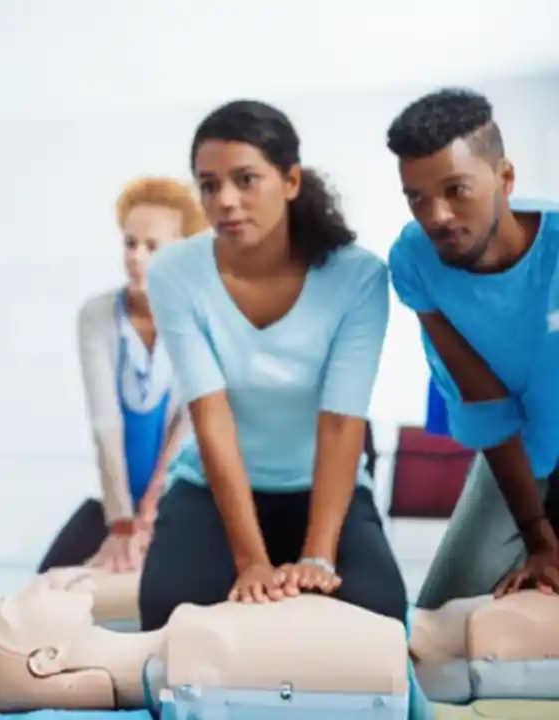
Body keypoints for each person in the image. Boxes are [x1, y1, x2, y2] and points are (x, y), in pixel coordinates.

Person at [137, 100, 407, 632]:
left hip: (325, 488)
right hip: (211, 490)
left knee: (378, 613)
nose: (226, 202)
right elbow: (211, 417)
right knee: (172, 606)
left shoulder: (359, 278)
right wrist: (250, 562)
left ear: (290, 181)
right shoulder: (174, 273)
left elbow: (340, 422)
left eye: (245, 180)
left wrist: (318, 558)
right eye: (209, 185)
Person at [384, 88, 559, 608]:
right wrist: (538, 536)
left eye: (456, 189)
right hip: (518, 455)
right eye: (416, 197)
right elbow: (484, 401)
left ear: (504, 179)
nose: (435, 215)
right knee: (441, 616)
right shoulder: (415, 260)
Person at [37, 178, 206, 574]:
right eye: (130, 243)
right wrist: (122, 521)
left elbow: (187, 424)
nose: (136, 257)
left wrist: (151, 512)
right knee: (47, 579)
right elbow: (105, 423)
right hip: (115, 505)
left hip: (179, 497)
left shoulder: (199, 321)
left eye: (152, 246)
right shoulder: (96, 316)